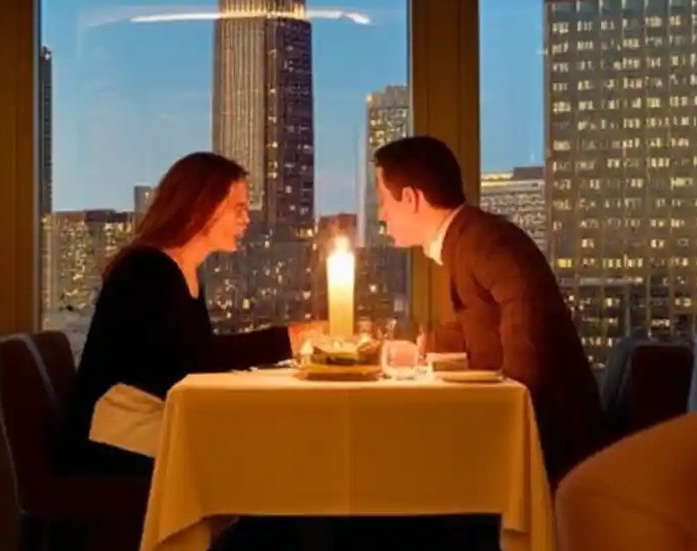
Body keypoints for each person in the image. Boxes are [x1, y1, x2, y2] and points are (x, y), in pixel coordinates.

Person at [60, 151, 311, 478]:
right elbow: (193, 364)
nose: (246, 220)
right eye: (239, 208)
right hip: (112, 440)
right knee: (261, 457)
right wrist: (290, 338)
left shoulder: (183, 271)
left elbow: (191, 360)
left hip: (146, 423)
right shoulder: (146, 271)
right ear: (203, 207)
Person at [373, 136, 601, 486]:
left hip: (552, 450)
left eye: (382, 201)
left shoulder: (486, 242)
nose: (381, 215)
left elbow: (526, 316)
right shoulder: (467, 241)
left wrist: (508, 415)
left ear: (410, 198)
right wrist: (421, 346)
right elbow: (484, 327)